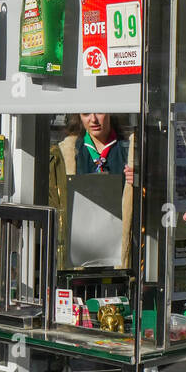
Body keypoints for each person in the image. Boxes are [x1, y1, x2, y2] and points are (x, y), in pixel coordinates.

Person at [48, 114, 134, 266]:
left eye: (99, 112)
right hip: (80, 255)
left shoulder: (129, 151)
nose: (93, 119)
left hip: (118, 254)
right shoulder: (66, 154)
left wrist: (139, 183)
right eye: (86, 114)